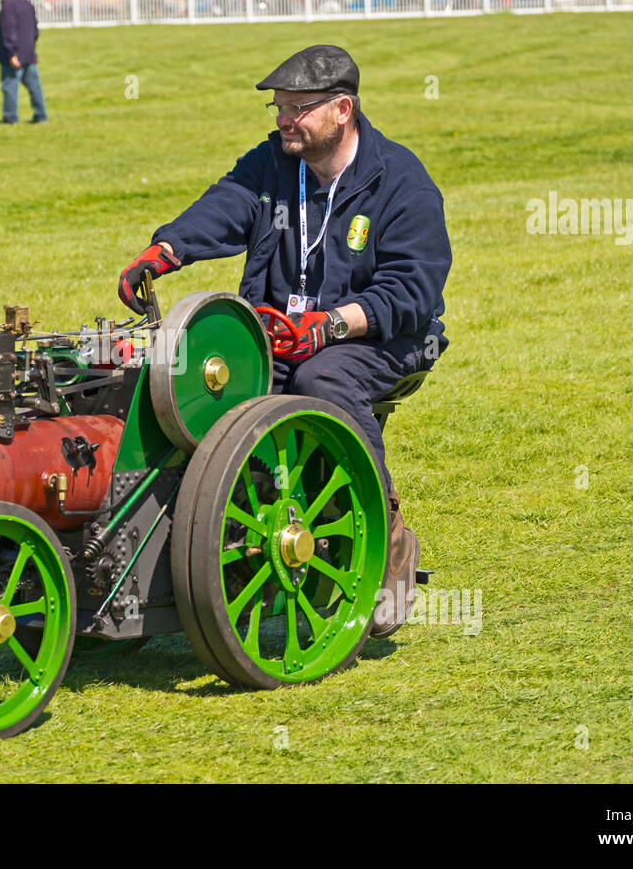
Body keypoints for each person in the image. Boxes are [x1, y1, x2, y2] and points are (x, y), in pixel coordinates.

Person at [117, 44, 452, 637]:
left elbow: (413, 291)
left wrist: (328, 324)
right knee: (206, 378)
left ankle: (387, 539)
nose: (282, 120)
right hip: (287, 331)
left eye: (297, 108)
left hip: (385, 339)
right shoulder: (274, 162)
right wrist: (164, 251)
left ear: (342, 109)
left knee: (321, 379)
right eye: (278, 107)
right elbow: (226, 205)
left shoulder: (403, 183)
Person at [0, 0, 47, 124]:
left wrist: (12, 53)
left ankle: (10, 117)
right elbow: (35, 31)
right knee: (34, 86)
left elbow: (8, 31)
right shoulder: (27, 4)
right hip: (29, 53)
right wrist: (30, 49)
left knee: (9, 86)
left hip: (14, 55)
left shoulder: (8, 6)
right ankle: (41, 115)